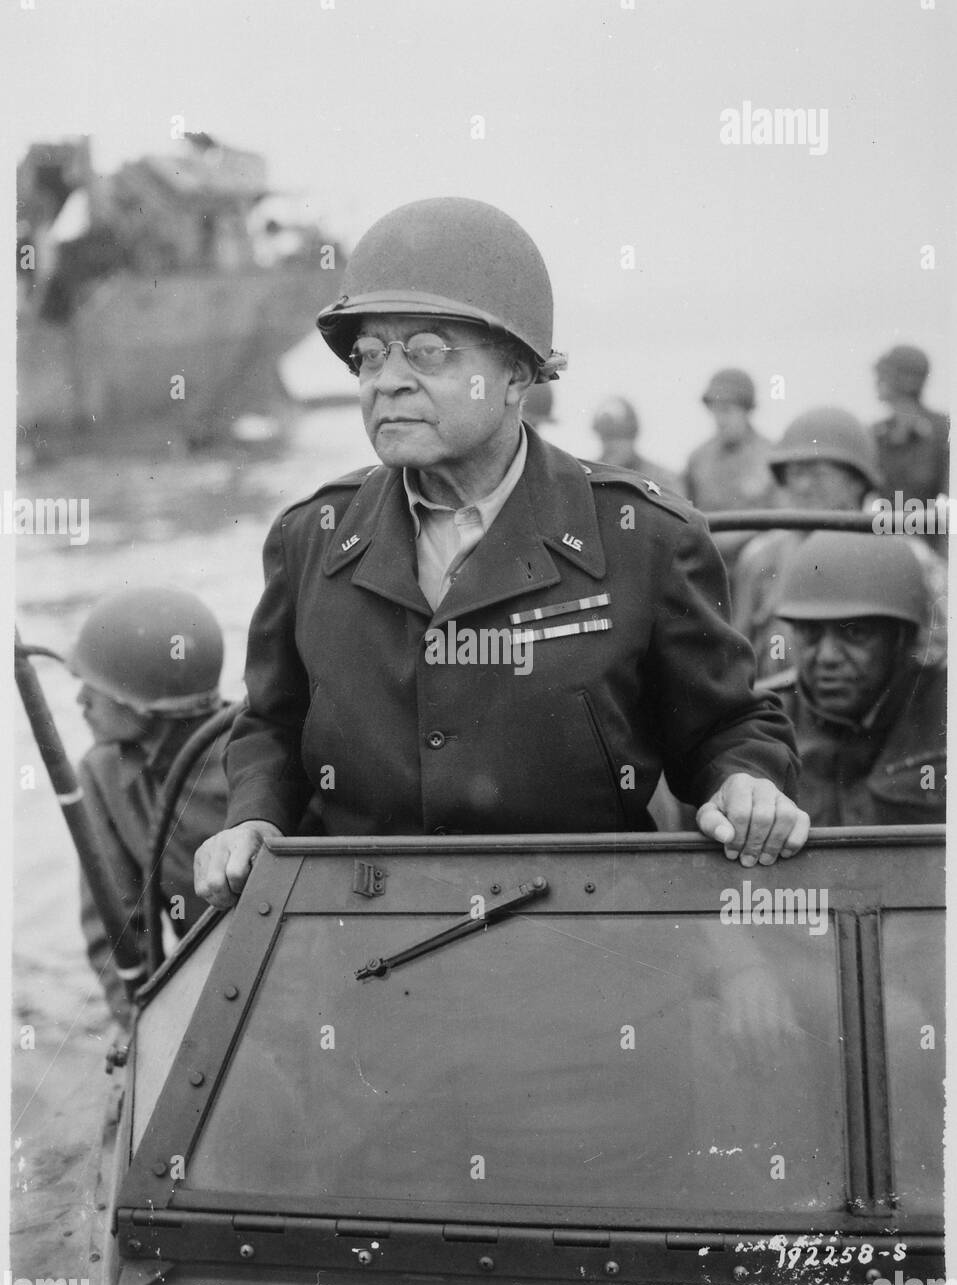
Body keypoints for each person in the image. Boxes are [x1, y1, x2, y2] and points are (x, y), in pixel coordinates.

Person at [194, 197, 808, 908]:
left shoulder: (644, 540)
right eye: (368, 356)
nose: (384, 380)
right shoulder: (313, 537)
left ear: (517, 374)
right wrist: (255, 817)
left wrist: (743, 781)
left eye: (426, 352)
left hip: (585, 939)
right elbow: (273, 722)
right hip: (357, 941)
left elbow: (724, 725)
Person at [71, 587, 229, 1021]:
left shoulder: (257, 762)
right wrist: (135, 1026)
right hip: (201, 995)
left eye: (95, 687)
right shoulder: (103, 773)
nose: (80, 701)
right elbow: (117, 932)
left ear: (144, 702)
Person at [732, 407, 948, 676]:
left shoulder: (909, 555)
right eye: (796, 473)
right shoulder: (761, 557)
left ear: (857, 480)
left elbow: (939, 653)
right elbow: (737, 657)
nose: (803, 486)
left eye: (817, 472)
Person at [763, 532, 945, 826]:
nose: (826, 657)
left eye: (855, 633)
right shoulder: (764, 721)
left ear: (902, 638)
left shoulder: (944, 709)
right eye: (810, 633)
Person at [683, 368, 780, 565]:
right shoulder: (698, 460)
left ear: (747, 410)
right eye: (715, 410)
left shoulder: (772, 458)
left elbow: (783, 521)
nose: (720, 419)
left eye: (727, 410)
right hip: (708, 560)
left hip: (758, 562)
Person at [872, 344, 950, 504]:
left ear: (907, 380)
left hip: (931, 527)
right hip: (884, 527)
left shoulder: (943, 431)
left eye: (885, 374)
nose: (878, 380)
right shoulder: (875, 435)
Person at [591, 395, 684, 495]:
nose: (613, 445)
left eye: (621, 436)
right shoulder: (590, 476)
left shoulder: (663, 479)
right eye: (607, 437)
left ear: (633, 435)